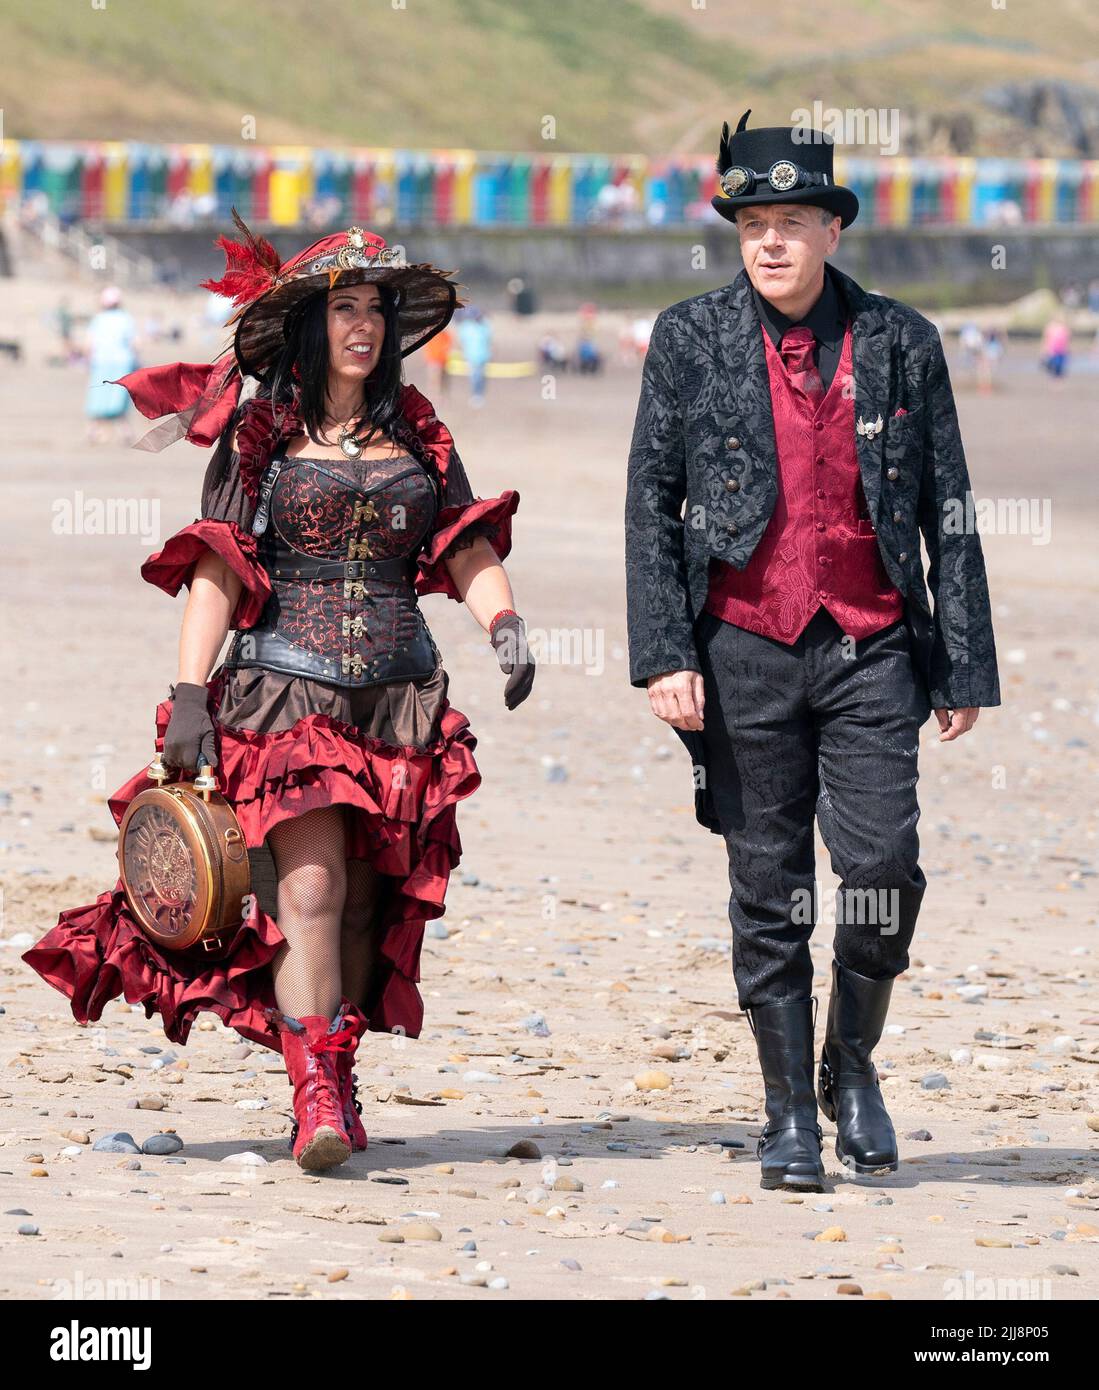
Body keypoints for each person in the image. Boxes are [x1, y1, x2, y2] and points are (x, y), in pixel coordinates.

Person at [24, 216, 536, 1174]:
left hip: (397, 699)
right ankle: (314, 1099)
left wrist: (504, 627)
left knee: (361, 907)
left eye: (375, 310)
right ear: (311, 324)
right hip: (283, 690)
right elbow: (219, 564)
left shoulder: (419, 427)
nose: (364, 326)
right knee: (307, 885)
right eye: (345, 308)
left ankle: (335, 1071)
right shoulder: (262, 431)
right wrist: (187, 694)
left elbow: (462, 544)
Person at [625, 111, 1000, 1193]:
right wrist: (662, 651)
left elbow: (950, 509)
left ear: (832, 229)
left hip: (873, 644)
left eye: (793, 220)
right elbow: (650, 502)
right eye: (753, 222)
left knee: (882, 870)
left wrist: (962, 663)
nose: (771, 240)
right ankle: (789, 1112)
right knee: (768, 887)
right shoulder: (688, 339)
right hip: (738, 645)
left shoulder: (901, 342)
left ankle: (850, 1064)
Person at [84, 285, 138, 444]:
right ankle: (126, 433)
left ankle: (92, 432)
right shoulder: (126, 318)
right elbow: (136, 343)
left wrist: (87, 362)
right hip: (123, 363)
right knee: (118, 399)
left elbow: (88, 345)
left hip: (101, 362)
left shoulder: (98, 319)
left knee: (99, 397)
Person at [456, 306, 492, 406]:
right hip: (471, 356)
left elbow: (489, 341)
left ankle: (479, 394)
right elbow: (461, 341)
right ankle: (476, 394)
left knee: (481, 376)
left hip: (483, 355)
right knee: (475, 376)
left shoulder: (485, 325)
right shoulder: (466, 327)